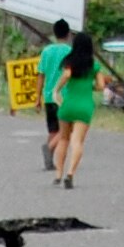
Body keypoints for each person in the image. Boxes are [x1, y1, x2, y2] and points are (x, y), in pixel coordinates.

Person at [50, 30, 99, 190]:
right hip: (84, 107)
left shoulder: (69, 61)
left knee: (63, 139)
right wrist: (90, 86)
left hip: (68, 105)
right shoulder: (94, 65)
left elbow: (66, 75)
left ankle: (58, 174)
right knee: (77, 141)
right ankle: (70, 173)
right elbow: (101, 86)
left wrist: (56, 90)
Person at [34, 20, 72, 174]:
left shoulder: (46, 51)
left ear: (54, 33)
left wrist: (38, 97)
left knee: (53, 130)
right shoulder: (70, 51)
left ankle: (49, 161)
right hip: (63, 96)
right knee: (67, 130)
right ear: (68, 34)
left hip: (48, 96)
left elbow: (40, 76)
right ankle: (49, 148)